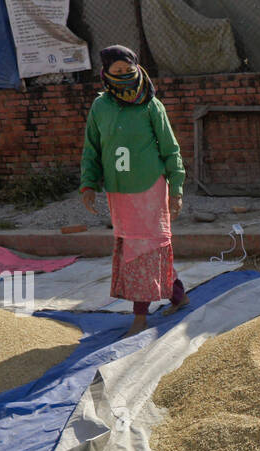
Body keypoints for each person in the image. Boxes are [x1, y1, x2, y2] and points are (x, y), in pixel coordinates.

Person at [79, 45, 189, 337]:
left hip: (149, 187)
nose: (126, 77)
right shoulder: (100, 107)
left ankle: (140, 318)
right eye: (118, 73)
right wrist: (88, 184)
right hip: (118, 191)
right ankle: (179, 296)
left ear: (138, 69)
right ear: (106, 75)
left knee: (144, 249)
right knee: (136, 247)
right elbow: (92, 149)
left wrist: (176, 189)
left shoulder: (151, 105)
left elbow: (171, 150)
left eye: (130, 71)